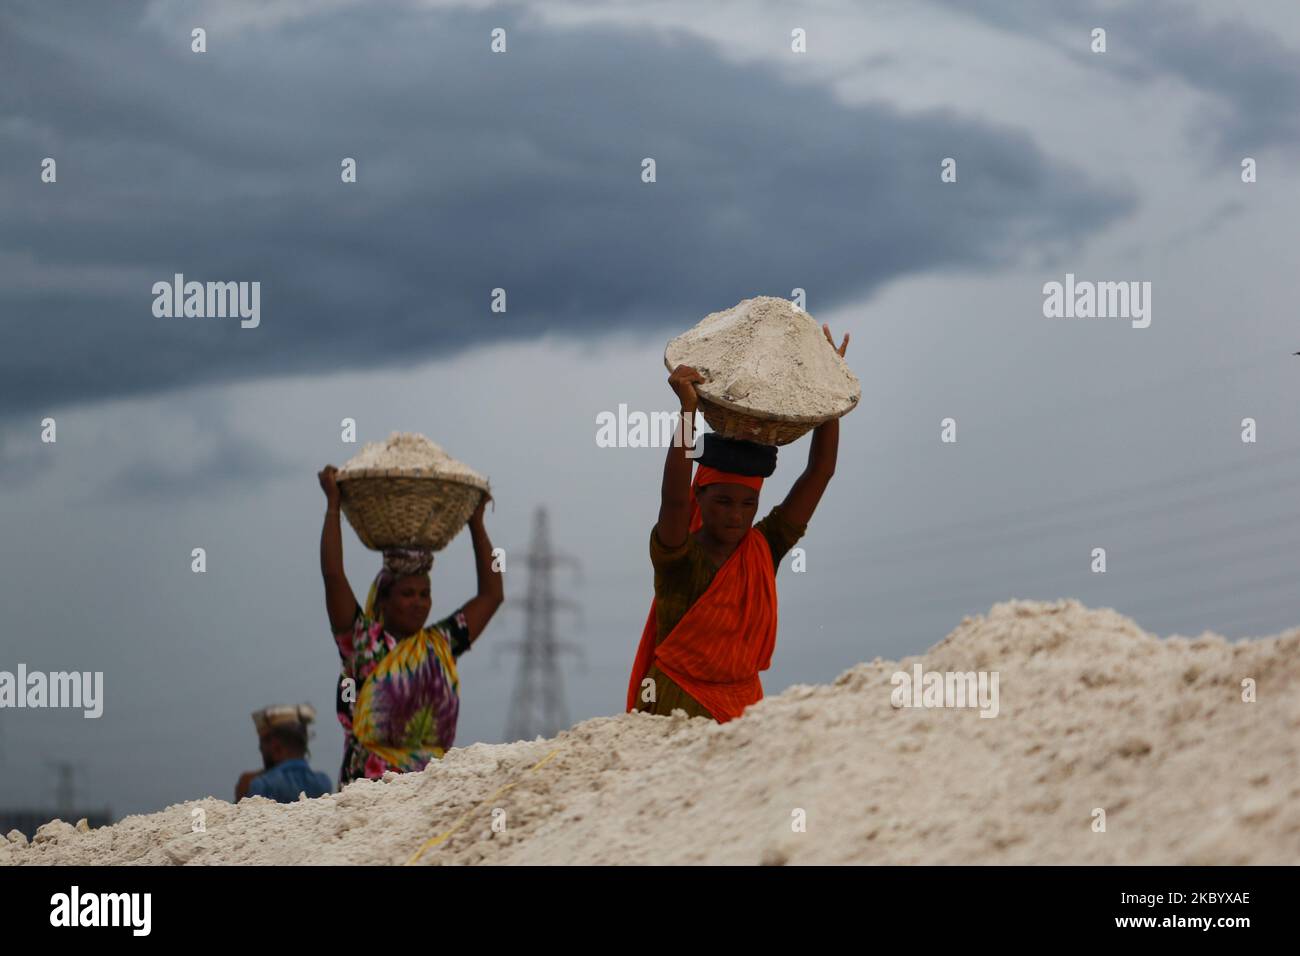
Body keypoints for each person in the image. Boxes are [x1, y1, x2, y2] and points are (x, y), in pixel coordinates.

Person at [627, 324, 849, 722]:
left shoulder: (764, 548)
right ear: (701, 496)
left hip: (744, 709)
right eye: (724, 501)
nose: (735, 515)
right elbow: (672, 498)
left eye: (748, 504)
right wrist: (688, 412)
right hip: (676, 707)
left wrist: (829, 392)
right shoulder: (679, 559)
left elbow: (820, 472)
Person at [318, 465, 504, 786]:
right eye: (407, 594)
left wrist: (476, 523)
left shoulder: (440, 643)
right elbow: (334, 575)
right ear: (384, 600)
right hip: (369, 789)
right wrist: (333, 505)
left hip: (429, 789)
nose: (418, 602)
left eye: (425, 594)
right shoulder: (363, 641)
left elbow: (492, 595)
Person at [235, 704, 333, 803]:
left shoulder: (262, 785)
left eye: (262, 748)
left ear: (277, 748)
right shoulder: (323, 783)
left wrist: (243, 794)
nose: (262, 752)